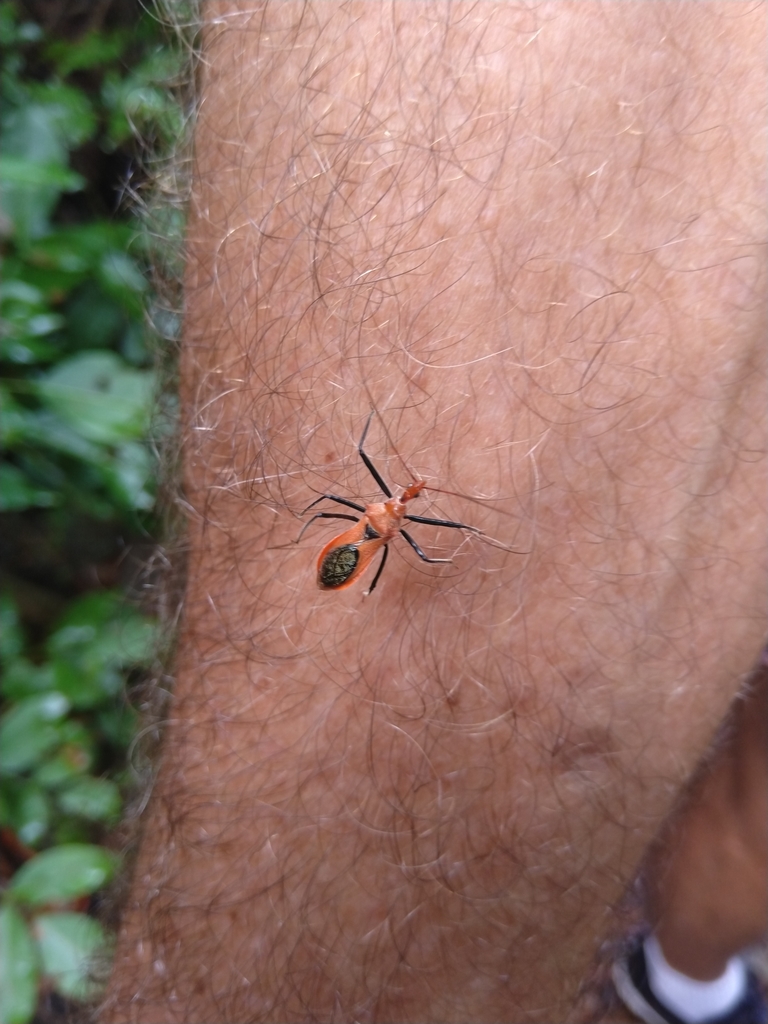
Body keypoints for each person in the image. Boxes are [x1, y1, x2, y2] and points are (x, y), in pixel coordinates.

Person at [101, 4, 767, 1021]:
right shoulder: (371, 527)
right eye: (397, 503)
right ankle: (681, 979)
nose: (396, 507)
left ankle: (681, 978)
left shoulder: (382, 523)